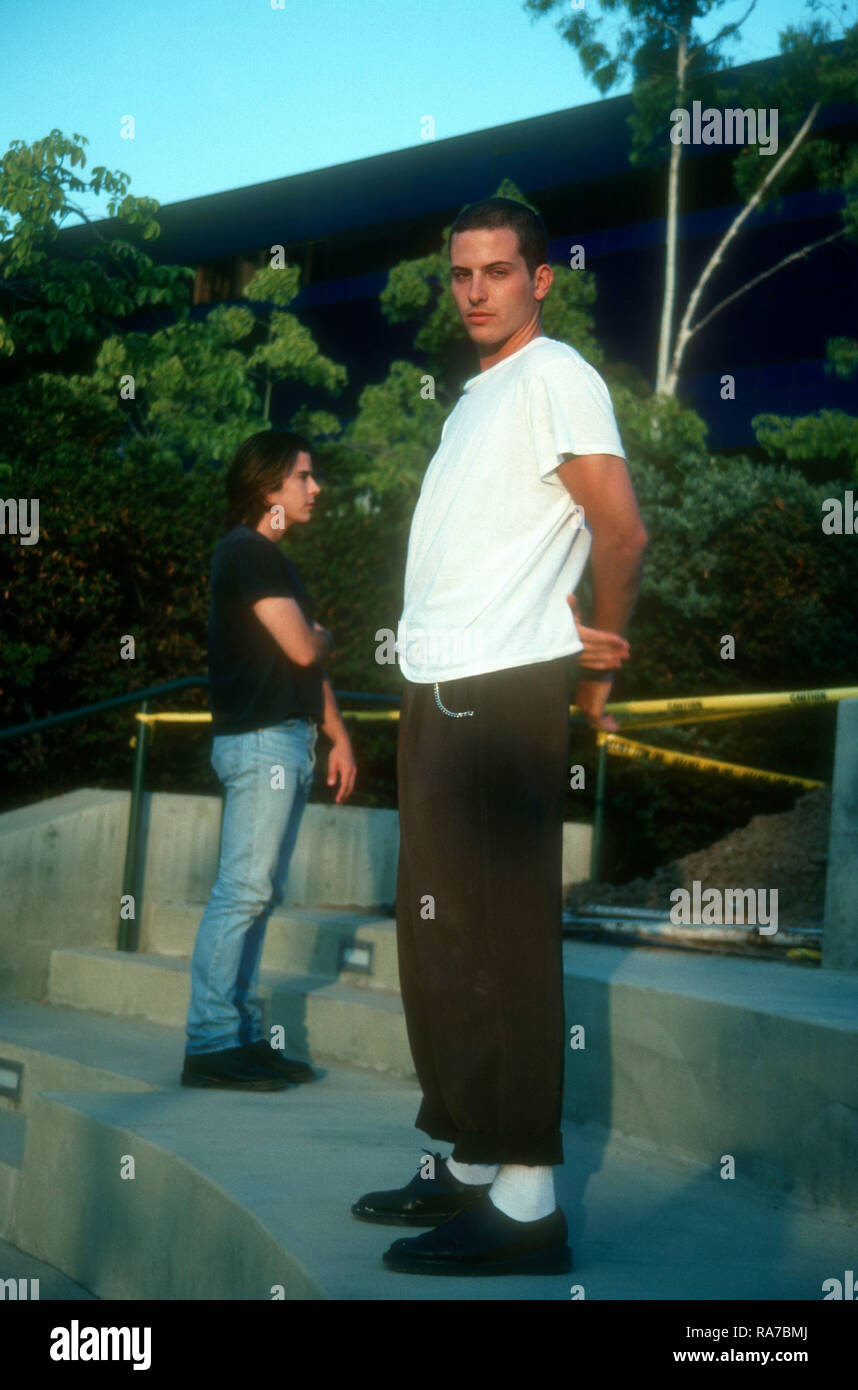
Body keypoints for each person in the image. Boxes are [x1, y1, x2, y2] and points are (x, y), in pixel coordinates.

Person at [351, 198, 648, 1275]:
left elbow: (619, 527)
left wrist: (598, 656)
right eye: (461, 273)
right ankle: (472, 1162)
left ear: (540, 280)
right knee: (440, 943)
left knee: (497, 944)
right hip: (445, 691)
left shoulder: (554, 375)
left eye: (497, 270)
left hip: (499, 695)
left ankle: (528, 1205)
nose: (475, 289)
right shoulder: (479, 398)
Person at [182, 430, 356, 1091]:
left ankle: (242, 1035)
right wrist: (326, 633)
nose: (317, 489)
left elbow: (303, 663)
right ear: (268, 488)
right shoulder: (247, 551)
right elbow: (307, 649)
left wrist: (338, 737)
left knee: (260, 894)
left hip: (285, 739)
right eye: (304, 478)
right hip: (259, 742)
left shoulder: (273, 561)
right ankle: (211, 1043)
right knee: (243, 892)